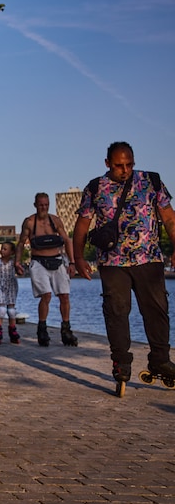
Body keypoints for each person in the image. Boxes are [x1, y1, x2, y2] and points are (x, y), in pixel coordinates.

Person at [72, 142, 175, 393]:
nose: (125, 170)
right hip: (113, 262)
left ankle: (160, 360)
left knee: (157, 309)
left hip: (149, 259)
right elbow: (82, 225)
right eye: (119, 165)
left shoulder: (151, 181)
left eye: (129, 164)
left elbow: (169, 218)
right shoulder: (95, 187)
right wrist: (78, 258)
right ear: (107, 163)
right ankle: (121, 363)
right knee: (116, 311)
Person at [16, 192, 77, 346]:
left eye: (46, 205)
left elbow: (67, 240)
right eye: (41, 205)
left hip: (57, 260)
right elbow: (21, 243)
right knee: (46, 295)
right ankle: (42, 329)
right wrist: (17, 262)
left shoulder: (55, 221)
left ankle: (66, 330)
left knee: (64, 296)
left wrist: (72, 262)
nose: (44, 207)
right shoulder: (30, 222)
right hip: (39, 262)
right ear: (35, 205)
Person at [0, 242, 20, 345]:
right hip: (0, 286)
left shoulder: (13, 262)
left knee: (11, 311)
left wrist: (20, 270)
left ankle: (12, 330)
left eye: (5, 249)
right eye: (2, 249)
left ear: (12, 252)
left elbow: (19, 271)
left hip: (11, 286)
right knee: (1, 310)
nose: (2, 251)